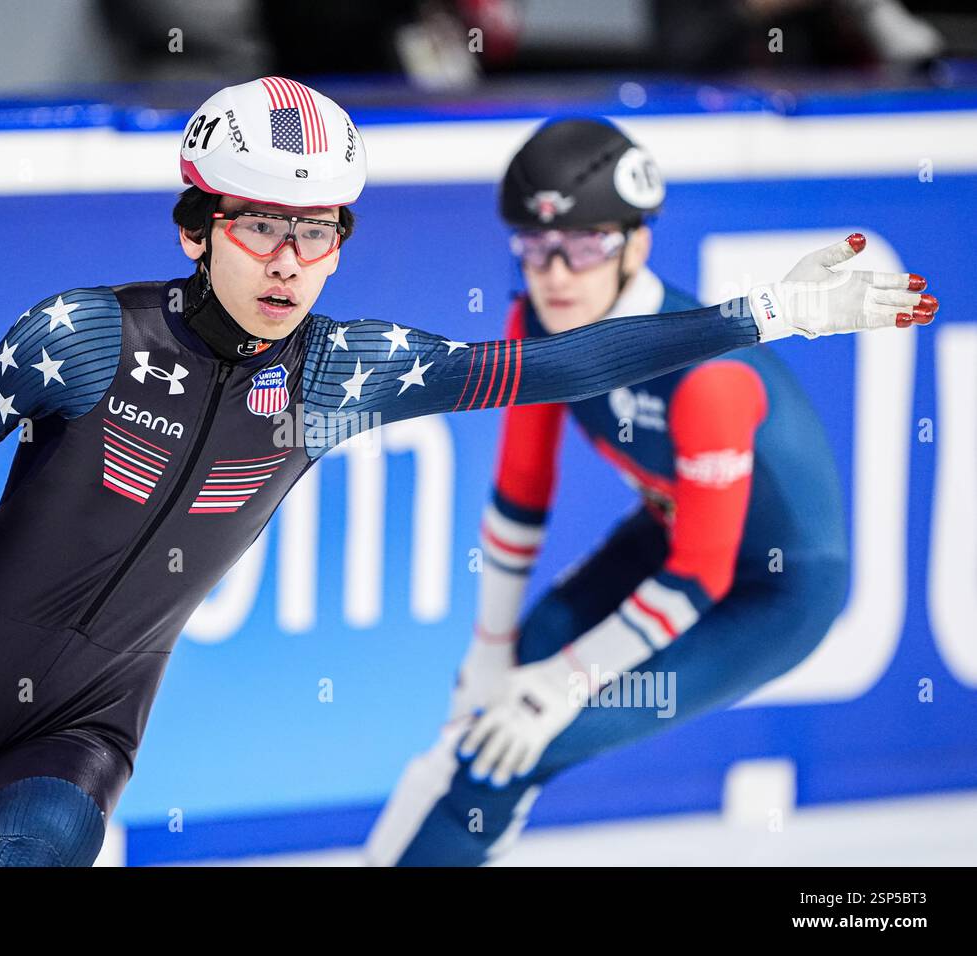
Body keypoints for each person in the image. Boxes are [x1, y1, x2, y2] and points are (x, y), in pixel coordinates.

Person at [0, 80, 935, 867]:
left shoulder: (344, 373)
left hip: (77, 735)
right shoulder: (79, 336)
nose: (290, 259)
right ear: (195, 226)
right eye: (260, 224)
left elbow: (561, 367)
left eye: (318, 231)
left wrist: (763, 313)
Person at [363, 116, 907, 866]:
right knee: (495, 703)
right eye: (534, 248)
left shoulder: (708, 379)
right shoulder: (536, 324)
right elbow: (520, 496)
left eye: (584, 247)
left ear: (637, 247)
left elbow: (700, 576)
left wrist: (562, 686)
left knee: (521, 743)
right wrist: (490, 651)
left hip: (767, 593)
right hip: (671, 531)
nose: (555, 274)